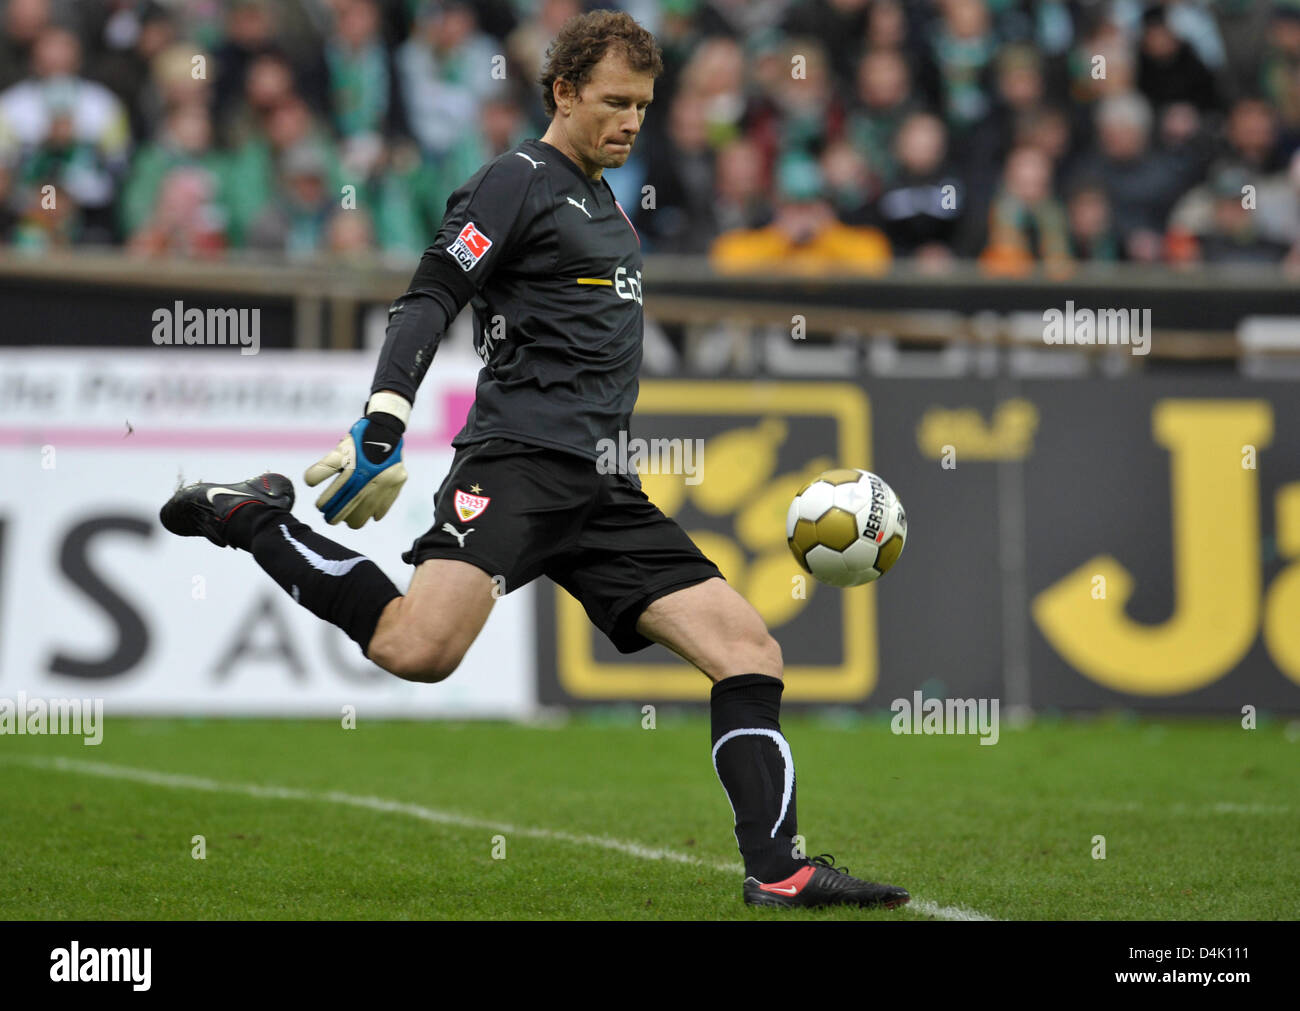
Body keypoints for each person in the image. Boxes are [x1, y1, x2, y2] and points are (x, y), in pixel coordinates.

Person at [160, 9, 909, 911]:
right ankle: (254, 519)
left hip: (602, 486)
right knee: (417, 648)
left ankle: (779, 869)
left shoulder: (603, 200)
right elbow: (429, 295)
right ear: (562, 92)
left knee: (748, 648)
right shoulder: (516, 180)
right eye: (614, 102)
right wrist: (387, 413)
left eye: (644, 105)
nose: (632, 121)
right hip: (515, 464)